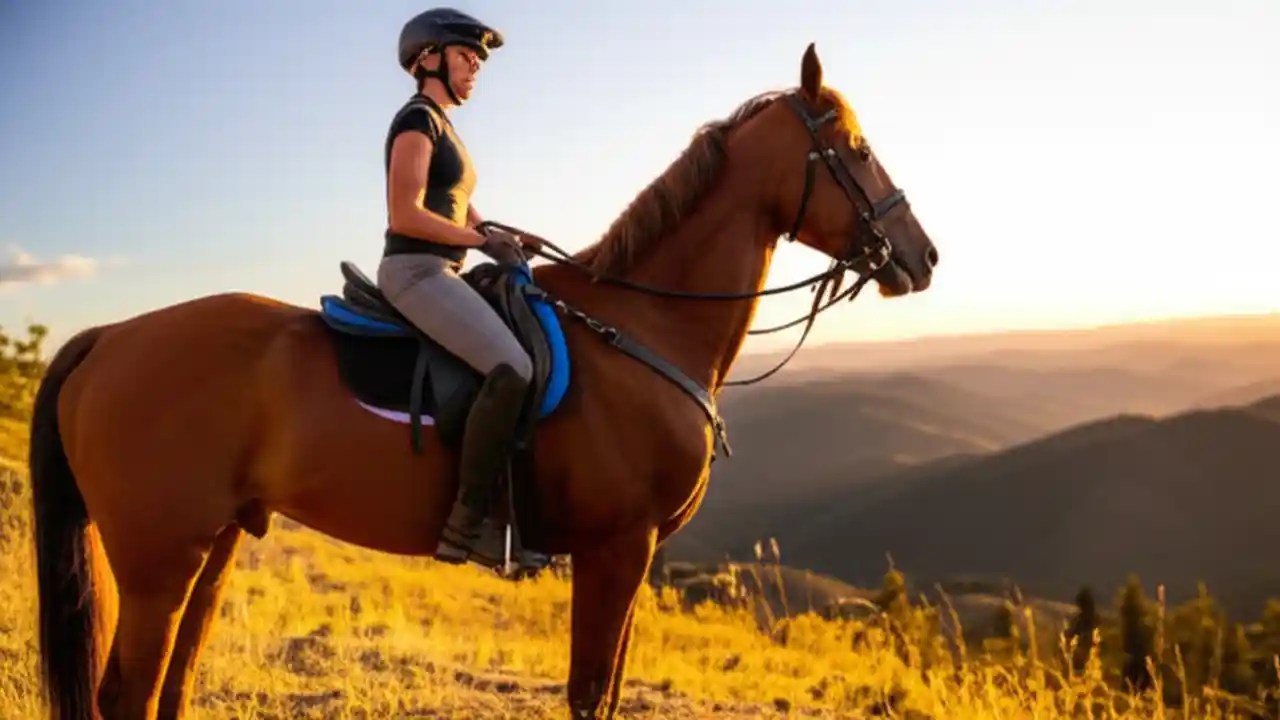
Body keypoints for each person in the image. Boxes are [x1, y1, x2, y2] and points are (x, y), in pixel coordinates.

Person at [378, 7, 532, 565]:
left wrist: (494, 232)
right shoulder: (417, 120)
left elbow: (461, 209)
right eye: (467, 57)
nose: (474, 69)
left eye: (478, 63)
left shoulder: (447, 130)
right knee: (512, 367)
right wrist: (477, 243)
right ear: (429, 59)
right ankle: (469, 524)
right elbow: (405, 214)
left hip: (445, 269)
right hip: (415, 271)